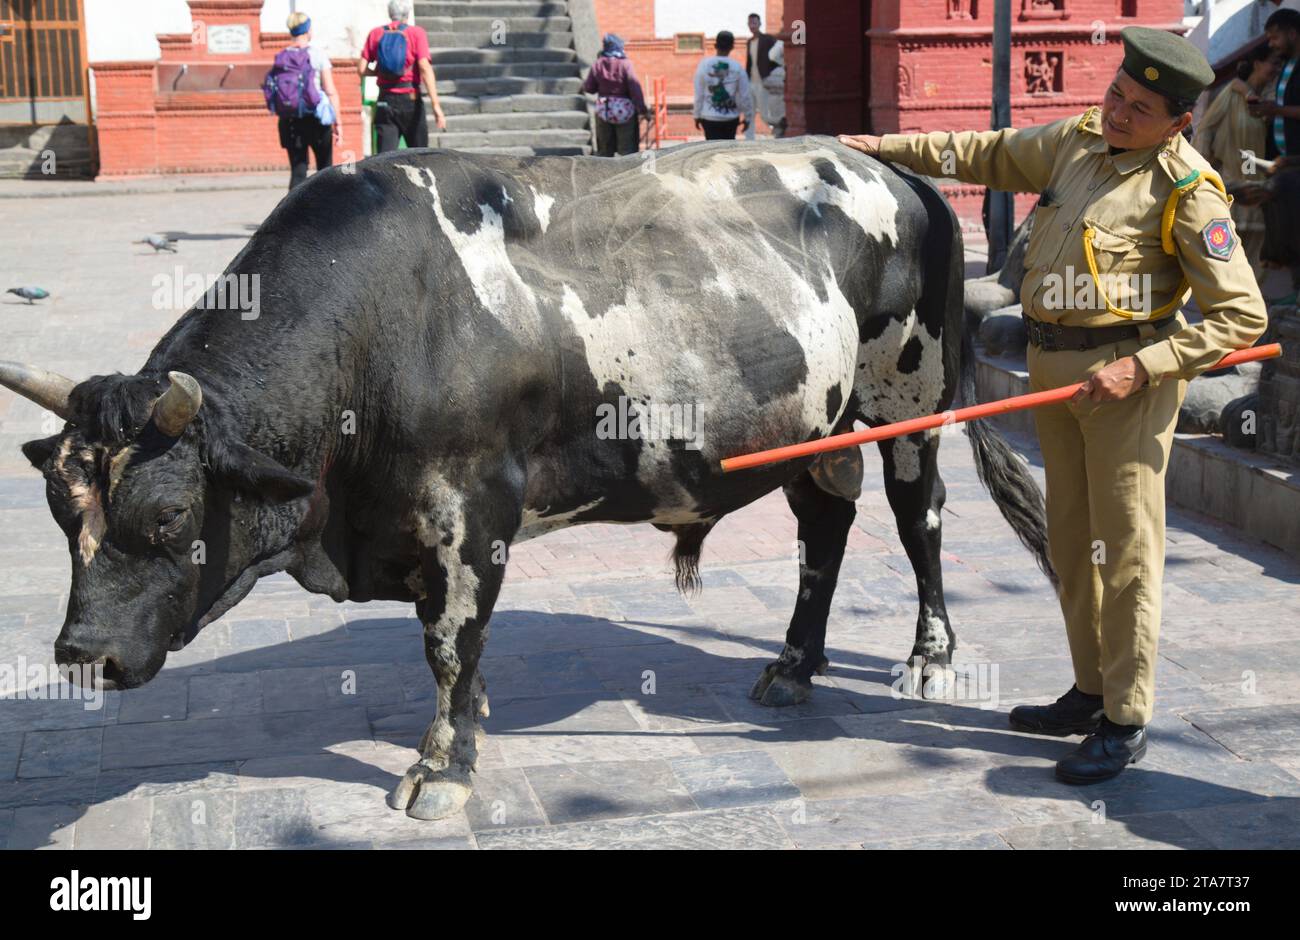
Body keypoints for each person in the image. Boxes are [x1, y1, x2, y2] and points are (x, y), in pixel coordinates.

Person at [839, 27, 1269, 784]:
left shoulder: (1186, 190)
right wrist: (882, 148)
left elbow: (1242, 316)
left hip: (1124, 388)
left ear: (1178, 122)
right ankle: (1089, 689)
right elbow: (988, 153)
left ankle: (1126, 718)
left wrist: (1143, 368)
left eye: (1141, 109)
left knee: (1127, 554)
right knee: (1072, 545)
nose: (1119, 114)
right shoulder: (1075, 143)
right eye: (1115, 94)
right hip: (1053, 376)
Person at [1194, 45, 1279, 276]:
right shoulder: (1231, 94)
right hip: (1231, 193)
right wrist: (1205, 177)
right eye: (1273, 62)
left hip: (1262, 197)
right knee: (1221, 265)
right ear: (1257, 63)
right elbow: (1205, 131)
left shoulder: (1271, 99)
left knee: (1255, 271)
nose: (1277, 69)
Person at [1251, 8, 1300, 302]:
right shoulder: (1287, 66)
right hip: (1283, 160)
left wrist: (1276, 110)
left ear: (1293, 33)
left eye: (1275, 37)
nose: (1271, 44)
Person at [358, 0, 446, 153]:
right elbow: (424, 67)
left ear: (390, 14)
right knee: (419, 156)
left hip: (384, 99)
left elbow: (361, 69)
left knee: (385, 159)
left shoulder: (376, 33)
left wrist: (379, 72)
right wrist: (436, 106)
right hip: (410, 99)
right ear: (407, 14)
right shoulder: (416, 33)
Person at [270, 12, 343, 191]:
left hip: (290, 122)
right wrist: (338, 123)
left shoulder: (281, 57)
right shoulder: (317, 54)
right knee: (325, 171)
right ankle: (326, 216)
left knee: (298, 172)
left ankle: (293, 217)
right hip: (317, 120)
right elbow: (330, 91)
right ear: (308, 30)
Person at [582, 34, 647, 157]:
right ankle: (626, 173)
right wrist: (642, 109)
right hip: (625, 110)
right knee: (627, 150)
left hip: (604, 110)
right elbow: (635, 88)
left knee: (605, 150)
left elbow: (589, 88)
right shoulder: (625, 64)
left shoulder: (598, 64)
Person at [693, 31, 752, 141]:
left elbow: (699, 93)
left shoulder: (704, 65)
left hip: (709, 117)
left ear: (715, 46)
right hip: (730, 119)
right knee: (728, 153)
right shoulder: (737, 67)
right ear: (732, 47)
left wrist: (696, 115)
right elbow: (745, 95)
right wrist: (747, 117)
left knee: (712, 152)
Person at [744, 13, 777, 139]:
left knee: (764, 113)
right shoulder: (749, 42)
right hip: (750, 82)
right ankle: (749, 138)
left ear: (759, 24)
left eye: (754, 23)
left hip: (763, 82)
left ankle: (777, 131)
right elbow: (750, 62)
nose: (752, 26)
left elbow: (778, 56)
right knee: (749, 112)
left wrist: (771, 74)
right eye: (750, 23)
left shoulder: (768, 39)